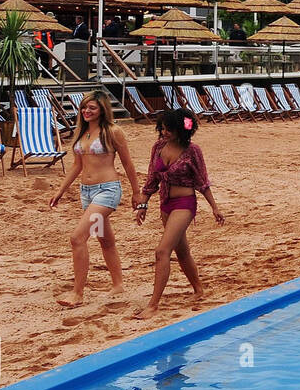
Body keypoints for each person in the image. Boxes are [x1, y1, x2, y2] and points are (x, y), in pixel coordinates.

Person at [50, 92, 144, 307]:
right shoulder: (82, 132)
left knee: (77, 238)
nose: (86, 111)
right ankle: (118, 283)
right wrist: (61, 191)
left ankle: (77, 293)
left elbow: (128, 164)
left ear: (102, 109)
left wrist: (136, 192)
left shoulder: (113, 132)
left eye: (92, 108)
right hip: (86, 192)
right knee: (105, 239)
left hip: (107, 190)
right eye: (84, 107)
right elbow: (77, 165)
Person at [134, 108, 224, 319]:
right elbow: (151, 179)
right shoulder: (158, 147)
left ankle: (153, 305)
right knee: (182, 251)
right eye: (162, 128)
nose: (164, 132)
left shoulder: (193, 151)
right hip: (165, 203)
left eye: (169, 129)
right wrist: (143, 205)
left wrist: (214, 207)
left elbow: (202, 181)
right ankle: (198, 289)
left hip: (184, 203)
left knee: (162, 251)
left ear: (180, 130)